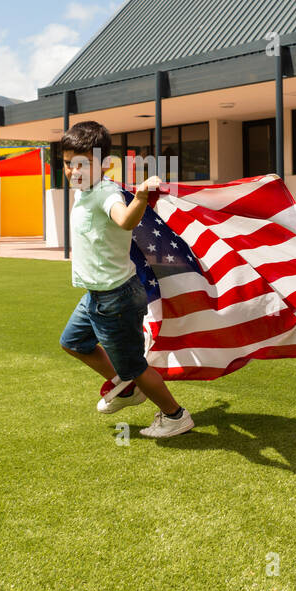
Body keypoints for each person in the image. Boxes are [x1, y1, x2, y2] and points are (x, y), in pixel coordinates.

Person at [57, 120, 194, 438]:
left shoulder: (104, 191)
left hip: (114, 298)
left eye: (83, 164)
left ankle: (175, 416)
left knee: (134, 364)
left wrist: (142, 197)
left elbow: (124, 220)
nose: (74, 171)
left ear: (104, 164)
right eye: (68, 163)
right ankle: (127, 386)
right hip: (96, 295)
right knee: (73, 342)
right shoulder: (85, 191)